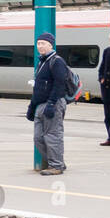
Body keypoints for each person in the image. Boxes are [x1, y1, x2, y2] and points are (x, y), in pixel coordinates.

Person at [26, 32, 70, 175]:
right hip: (40, 105)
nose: (40, 46)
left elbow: (59, 84)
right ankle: (57, 162)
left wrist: (51, 103)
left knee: (52, 136)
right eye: (38, 43)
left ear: (51, 45)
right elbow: (39, 87)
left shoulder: (57, 61)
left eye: (43, 43)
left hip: (53, 104)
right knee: (38, 138)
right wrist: (32, 107)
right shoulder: (42, 62)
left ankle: (56, 165)